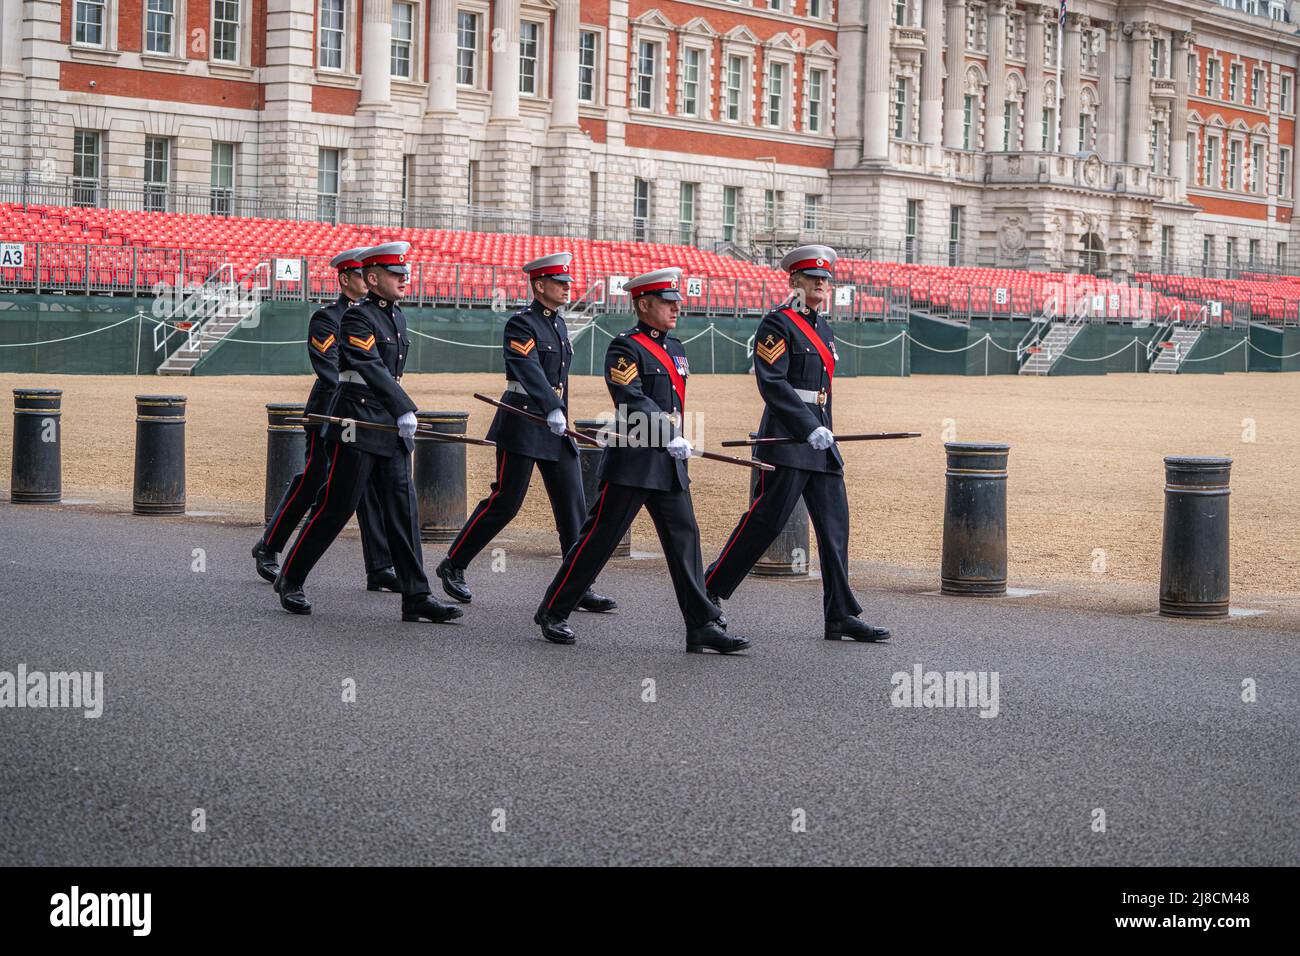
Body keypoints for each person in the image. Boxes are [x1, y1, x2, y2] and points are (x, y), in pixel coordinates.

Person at [534, 268, 751, 655]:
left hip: (667, 462)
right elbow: (630, 397)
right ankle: (554, 609)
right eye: (667, 303)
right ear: (644, 304)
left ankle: (700, 624)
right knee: (599, 540)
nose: (675, 309)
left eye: (677, 302)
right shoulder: (625, 347)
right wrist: (671, 434)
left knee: (685, 540)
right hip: (634, 461)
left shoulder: (677, 347)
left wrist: (675, 438)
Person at [703, 245, 891, 642]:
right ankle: (708, 591)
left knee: (835, 528)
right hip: (788, 439)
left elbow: (821, 391)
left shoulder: (823, 328)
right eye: (813, 278)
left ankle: (840, 613)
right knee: (765, 523)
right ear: (794, 282)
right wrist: (807, 427)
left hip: (821, 441)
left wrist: (821, 429)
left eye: (825, 279)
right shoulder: (778, 324)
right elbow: (773, 383)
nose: (821, 284)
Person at [273, 242, 461, 624]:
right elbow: (369, 366)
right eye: (395, 274)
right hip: (356, 422)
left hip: (388, 424)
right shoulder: (357, 318)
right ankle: (291, 577)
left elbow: (388, 373)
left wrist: (398, 410)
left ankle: (416, 595)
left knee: (403, 508)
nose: (404, 279)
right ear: (373, 279)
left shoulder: (397, 317)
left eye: (404, 273)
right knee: (336, 507)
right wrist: (404, 406)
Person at [435, 252, 616, 613]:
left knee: (572, 506)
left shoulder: (559, 324)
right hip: (522, 420)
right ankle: (454, 563)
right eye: (561, 283)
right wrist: (551, 406)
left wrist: (559, 411)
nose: (568, 288)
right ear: (539, 285)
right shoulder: (521, 324)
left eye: (568, 283)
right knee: (506, 501)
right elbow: (527, 368)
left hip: (553, 424)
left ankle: (577, 585)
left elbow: (559, 379)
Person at [252, 247, 398, 592]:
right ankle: (270, 546)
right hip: (331, 408)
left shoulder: (377, 316)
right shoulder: (326, 317)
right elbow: (329, 367)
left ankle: (379, 566)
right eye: (360, 275)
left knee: (367, 488)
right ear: (345, 279)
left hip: (365, 411)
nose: (366, 280)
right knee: (315, 478)